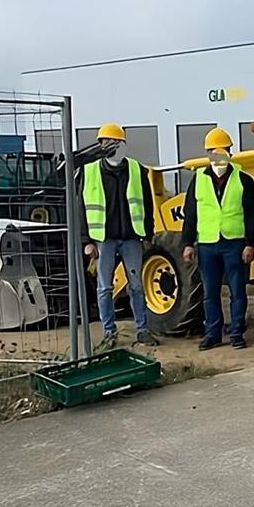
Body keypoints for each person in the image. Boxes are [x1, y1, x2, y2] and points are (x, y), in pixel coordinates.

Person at [80, 123, 159, 348]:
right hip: (103, 239)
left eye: (114, 142)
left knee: (136, 286)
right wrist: (86, 241)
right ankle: (109, 333)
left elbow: (147, 203)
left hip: (131, 238)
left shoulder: (136, 169)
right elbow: (80, 207)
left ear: (123, 144)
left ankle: (142, 330)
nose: (109, 145)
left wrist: (148, 234)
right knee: (105, 287)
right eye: (105, 142)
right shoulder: (89, 171)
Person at [182, 127, 254, 350]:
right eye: (214, 153)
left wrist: (250, 244)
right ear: (208, 154)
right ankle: (213, 334)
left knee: (238, 291)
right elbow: (190, 213)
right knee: (210, 293)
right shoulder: (198, 179)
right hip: (207, 244)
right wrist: (188, 243)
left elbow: (252, 214)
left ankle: (237, 333)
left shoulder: (243, 180)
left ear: (230, 153)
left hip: (234, 243)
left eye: (222, 152)